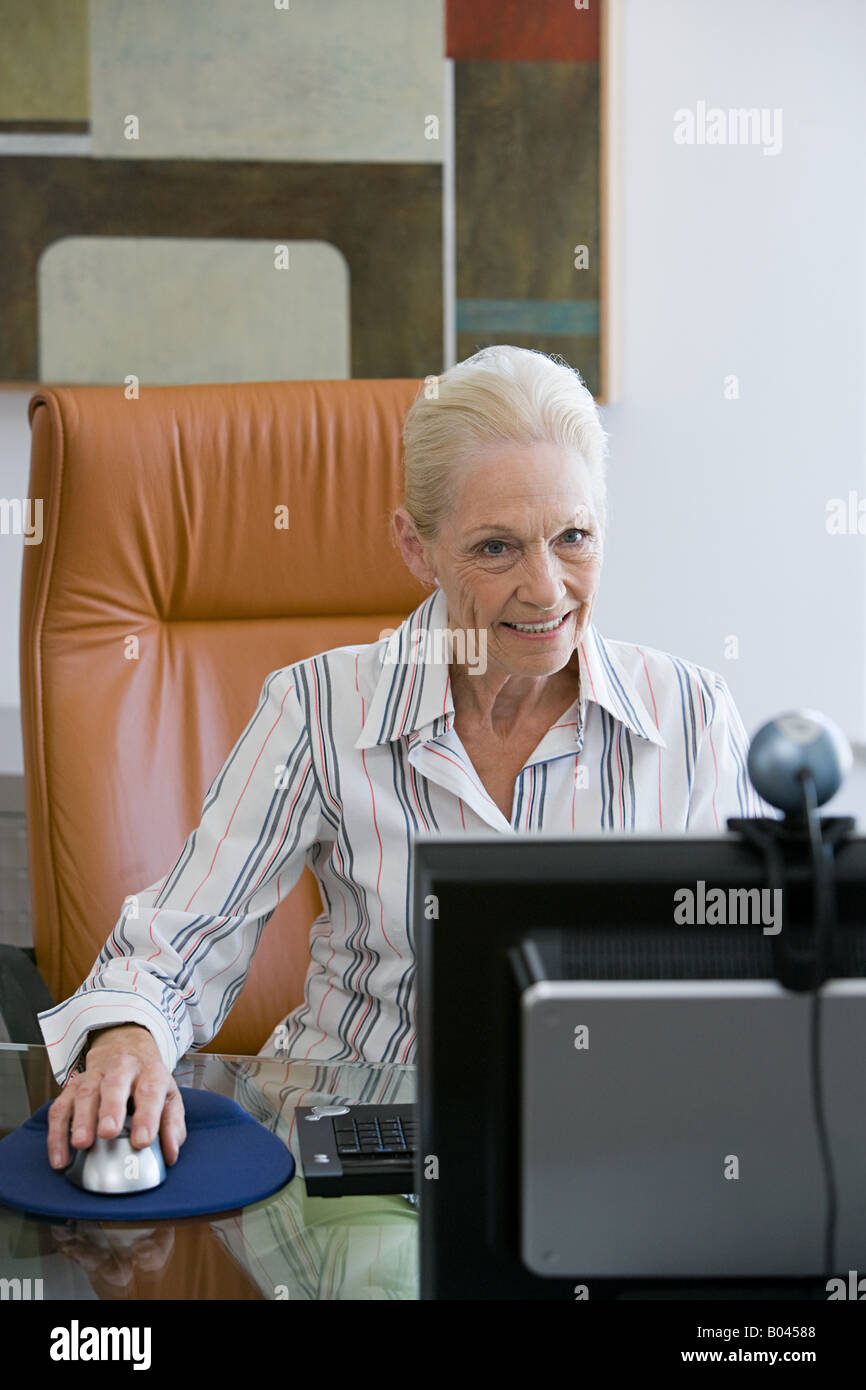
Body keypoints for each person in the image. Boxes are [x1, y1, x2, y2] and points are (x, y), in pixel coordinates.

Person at [39, 344, 769, 1172]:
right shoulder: (317, 708)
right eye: (496, 548)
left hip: (608, 1147)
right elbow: (181, 939)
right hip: (363, 1150)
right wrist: (127, 1038)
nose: (546, 588)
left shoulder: (694, 716)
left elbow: (759, 977)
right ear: (416, 547)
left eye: (573, 537)